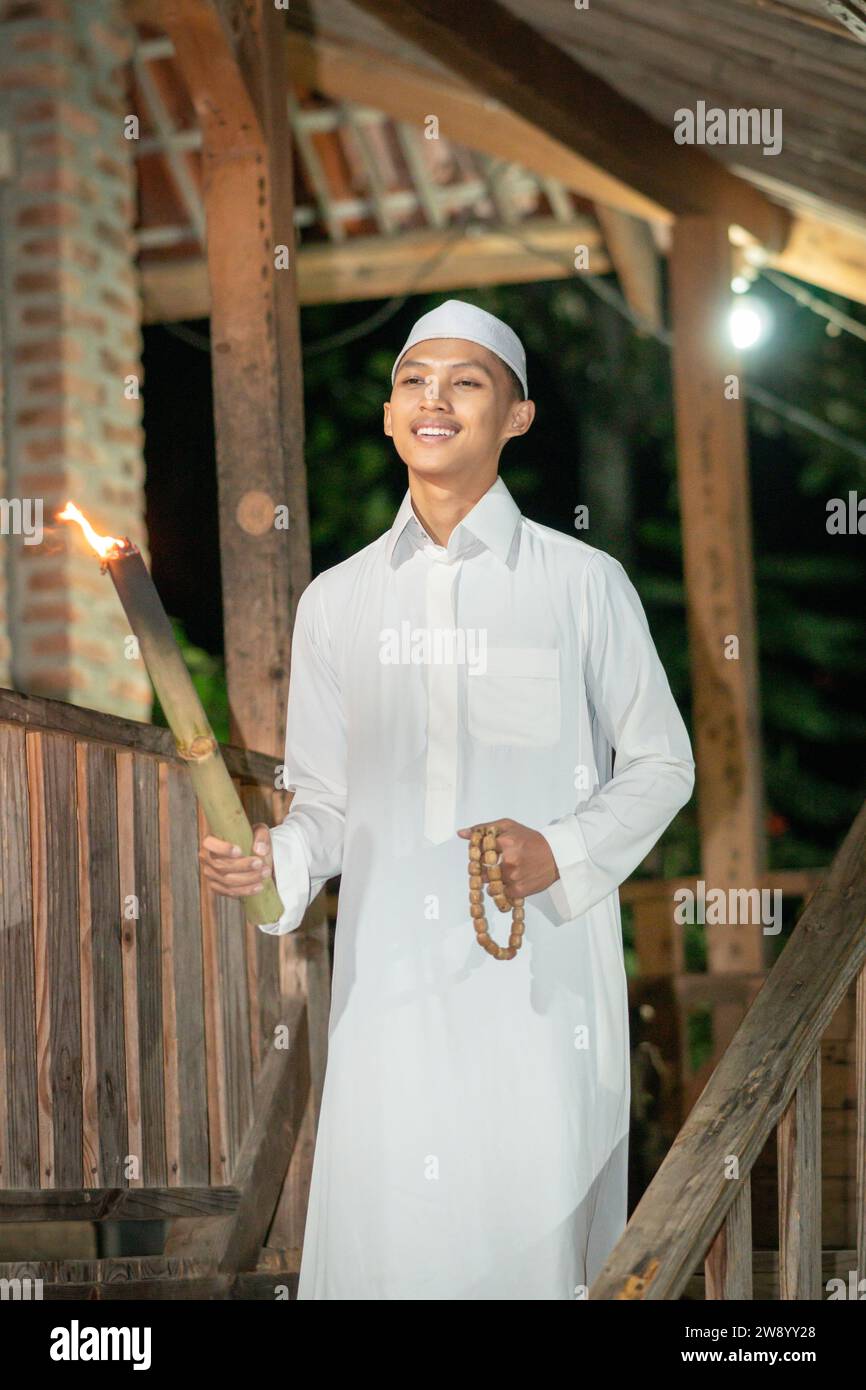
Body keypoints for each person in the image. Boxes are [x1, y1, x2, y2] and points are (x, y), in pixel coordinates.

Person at [199, 299, 695, 1300]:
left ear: (514, 417)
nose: (435, 399)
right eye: (415, 381)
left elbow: (661, 762)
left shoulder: (581, 583)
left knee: (533, 1241)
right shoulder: (336, 600)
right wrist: (276, 862)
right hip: (388, 986)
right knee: (389, 1239)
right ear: (389, 414)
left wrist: (560, 846)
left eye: (466, 381)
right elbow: (326, 801)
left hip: (538, 984)